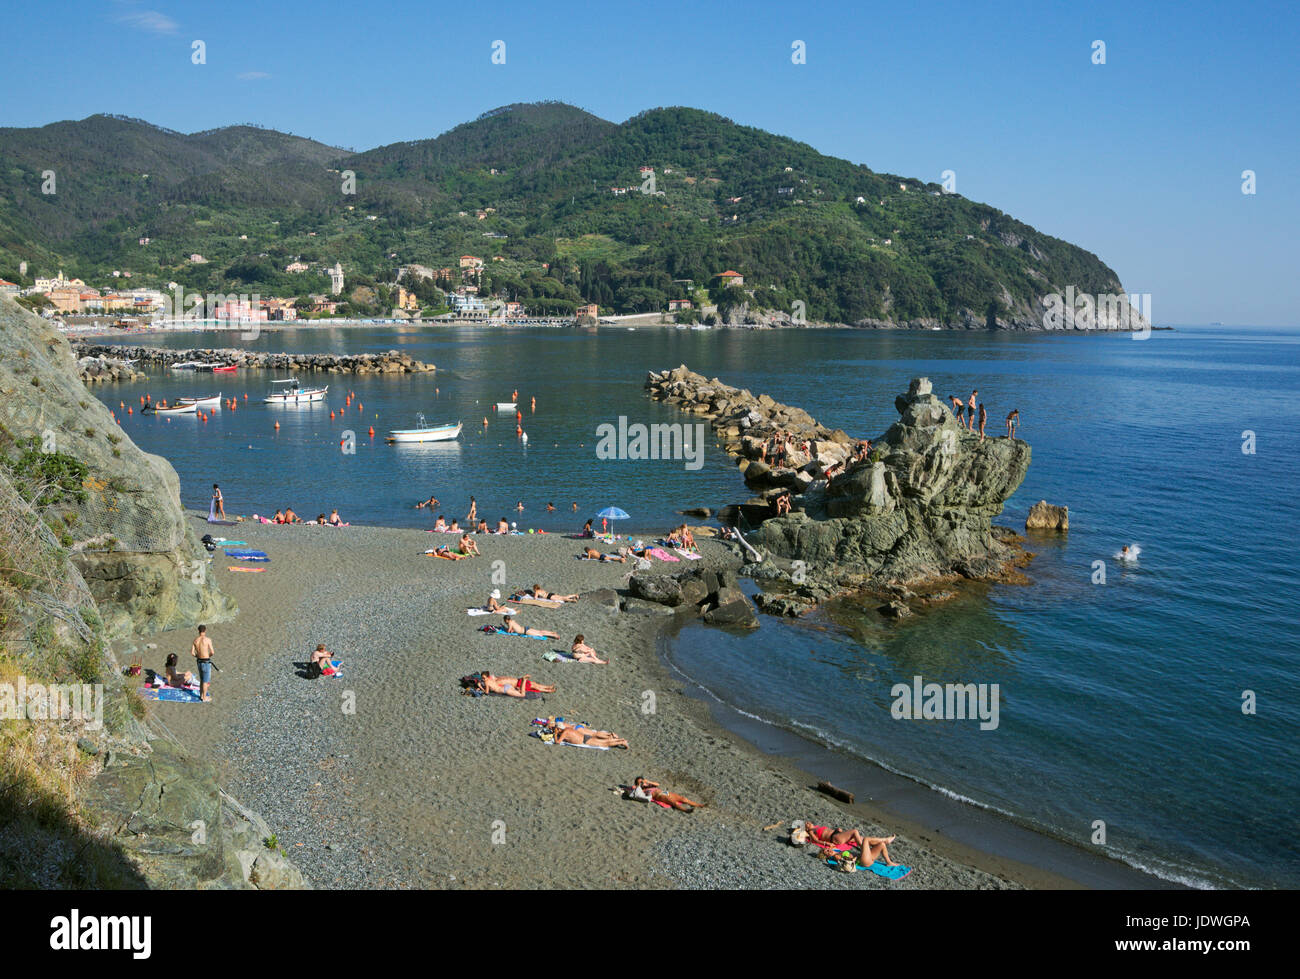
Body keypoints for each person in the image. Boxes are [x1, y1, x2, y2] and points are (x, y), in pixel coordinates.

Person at [628, 777, 704, 812]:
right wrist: (639, 785)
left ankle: (699, 805)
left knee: (683, 799)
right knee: (673, 802)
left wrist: (647, 781)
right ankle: (686, 810)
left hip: (664, 792)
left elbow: (657, 784)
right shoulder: (641, 789)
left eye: (642, 781)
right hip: (659, 795)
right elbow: (634, 789)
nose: (642, 783)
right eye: (640, 782)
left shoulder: (649, 785)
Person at [547, 720, 627, 749]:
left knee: (604, 744)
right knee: (597, 736)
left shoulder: (564, 732)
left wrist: (555, 734)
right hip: (584, 737)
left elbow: (557, 742)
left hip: (585, 740)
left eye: (553, 728)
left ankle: (621, 742)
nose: (552, 729)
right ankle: (619, 740)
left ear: (558, 728)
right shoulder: (566, 729)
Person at [481, 672, 556, 696]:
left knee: (534, 684)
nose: (491, 676)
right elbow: (494, 687)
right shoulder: (497, 682)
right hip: (518, 683)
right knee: (534, 686)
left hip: (518, 681)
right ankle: (548, 690)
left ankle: (548, 687)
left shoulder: (497, 679)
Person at [191, 624, 214, 702]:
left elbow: (192, 653)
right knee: (205, 681)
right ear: (205, 630)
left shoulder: (195, 640)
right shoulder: (208, 640)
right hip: (206, 661)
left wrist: (198, 656)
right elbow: (212, 652)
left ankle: (201, 695)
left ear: (198, 631)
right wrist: (208, 656)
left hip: (199, 661)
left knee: (201, 679)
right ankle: (204, 697)